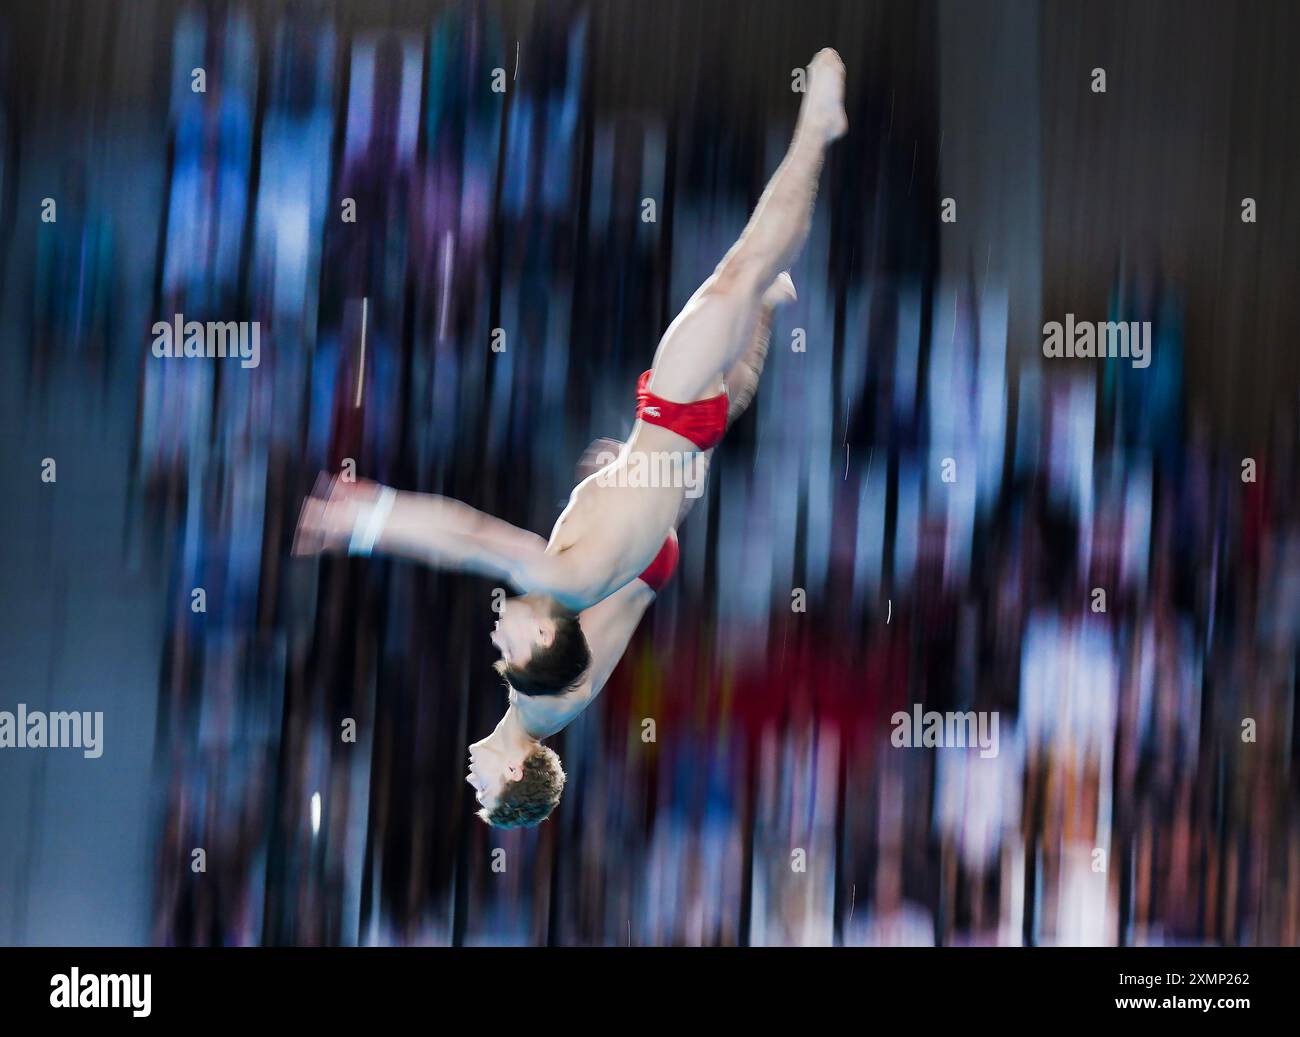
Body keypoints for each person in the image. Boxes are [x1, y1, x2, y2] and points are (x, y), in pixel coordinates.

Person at [293, 48, 847, 825]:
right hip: (666, 429)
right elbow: (465, 535)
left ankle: (762, 309)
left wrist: (632, 515)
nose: (501, 620)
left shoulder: (553, 695)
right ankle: (816, 134)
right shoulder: (561, 590)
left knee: (737, 325)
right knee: (741, 266)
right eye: (489, 792)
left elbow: (633, 597)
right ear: (519, 765)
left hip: (659, 507)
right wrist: (368, 519)